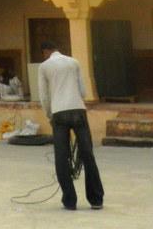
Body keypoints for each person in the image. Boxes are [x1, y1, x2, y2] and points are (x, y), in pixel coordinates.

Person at [38, 40, 104, 211]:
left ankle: (69, 201)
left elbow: (44, 96)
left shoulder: (45, 66)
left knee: (61, 157)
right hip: (78, 110)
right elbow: (83, 91)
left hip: (59, 112)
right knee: (87, 154)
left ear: (45, 52)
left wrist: (49, 115)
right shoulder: (74, 62)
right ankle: (96, 199)